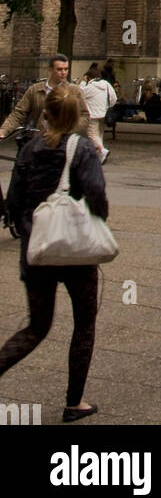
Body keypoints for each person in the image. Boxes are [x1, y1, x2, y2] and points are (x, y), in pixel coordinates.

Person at [0, 82, 108, 421]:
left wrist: (28, 226)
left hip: (39, 249)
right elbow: (97, 197)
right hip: (75, 251)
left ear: (46, 113)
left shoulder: (30, 148)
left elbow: (14, 202)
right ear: (78, 116)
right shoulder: (83, 149)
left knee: (36, 327)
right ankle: (74, 403)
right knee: (84, 325)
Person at [0, 56, 89, 141]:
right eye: (59, 69)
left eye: (66, 69)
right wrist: (3, 130)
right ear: (50, 69)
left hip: (65, 143)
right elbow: (18, 113)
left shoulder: (75, 91)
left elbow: (84, 116)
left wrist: (65, 130)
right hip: (39, 141)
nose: (63, 72)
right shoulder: (35, 90)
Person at [79, 66, 117, 165]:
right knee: (99, 135)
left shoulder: (90, 87)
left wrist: (83, 82)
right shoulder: (107, 84)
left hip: (93, 114)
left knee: (92, 135)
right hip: (104, 114)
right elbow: (114, 98)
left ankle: (103, 151)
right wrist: (107, 107)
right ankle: (99, 156)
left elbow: (80, 94)